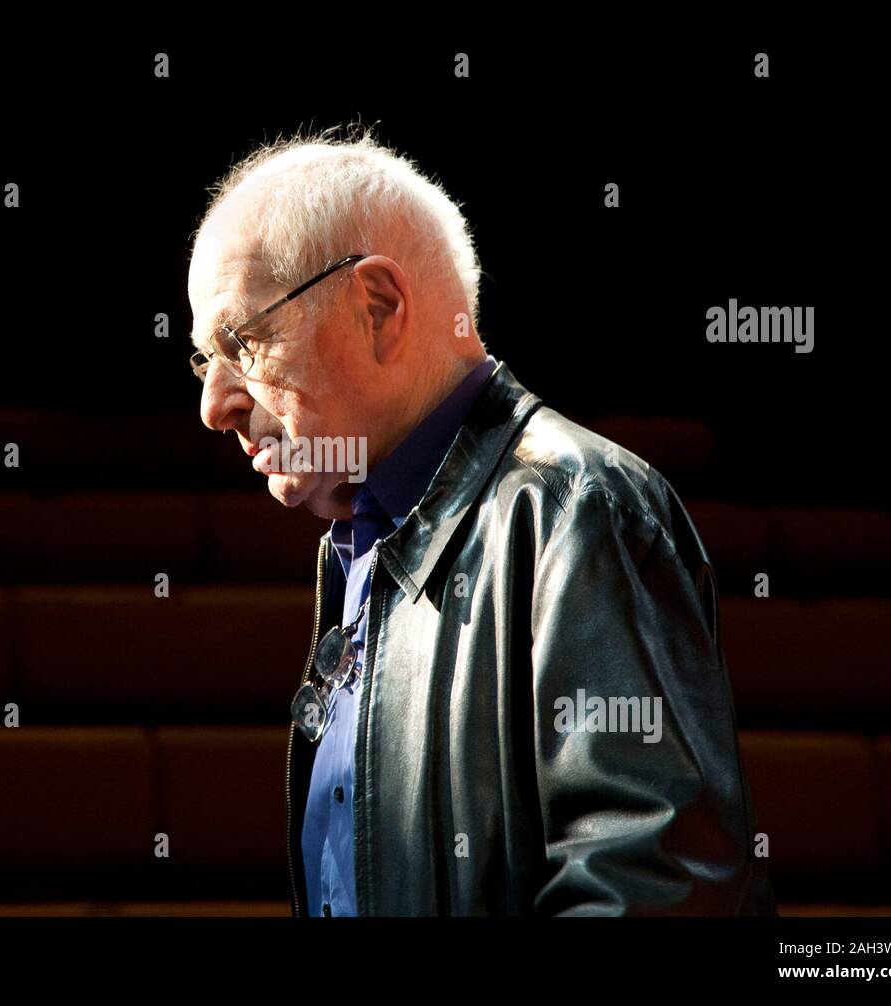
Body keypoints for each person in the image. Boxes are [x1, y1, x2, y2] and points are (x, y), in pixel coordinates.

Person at [187, 126, 775, 916]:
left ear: (379, 307)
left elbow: (653, 884)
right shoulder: (361, 546)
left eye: (243, 341)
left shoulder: (575, 507)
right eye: (202, 358)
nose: (214, 406)